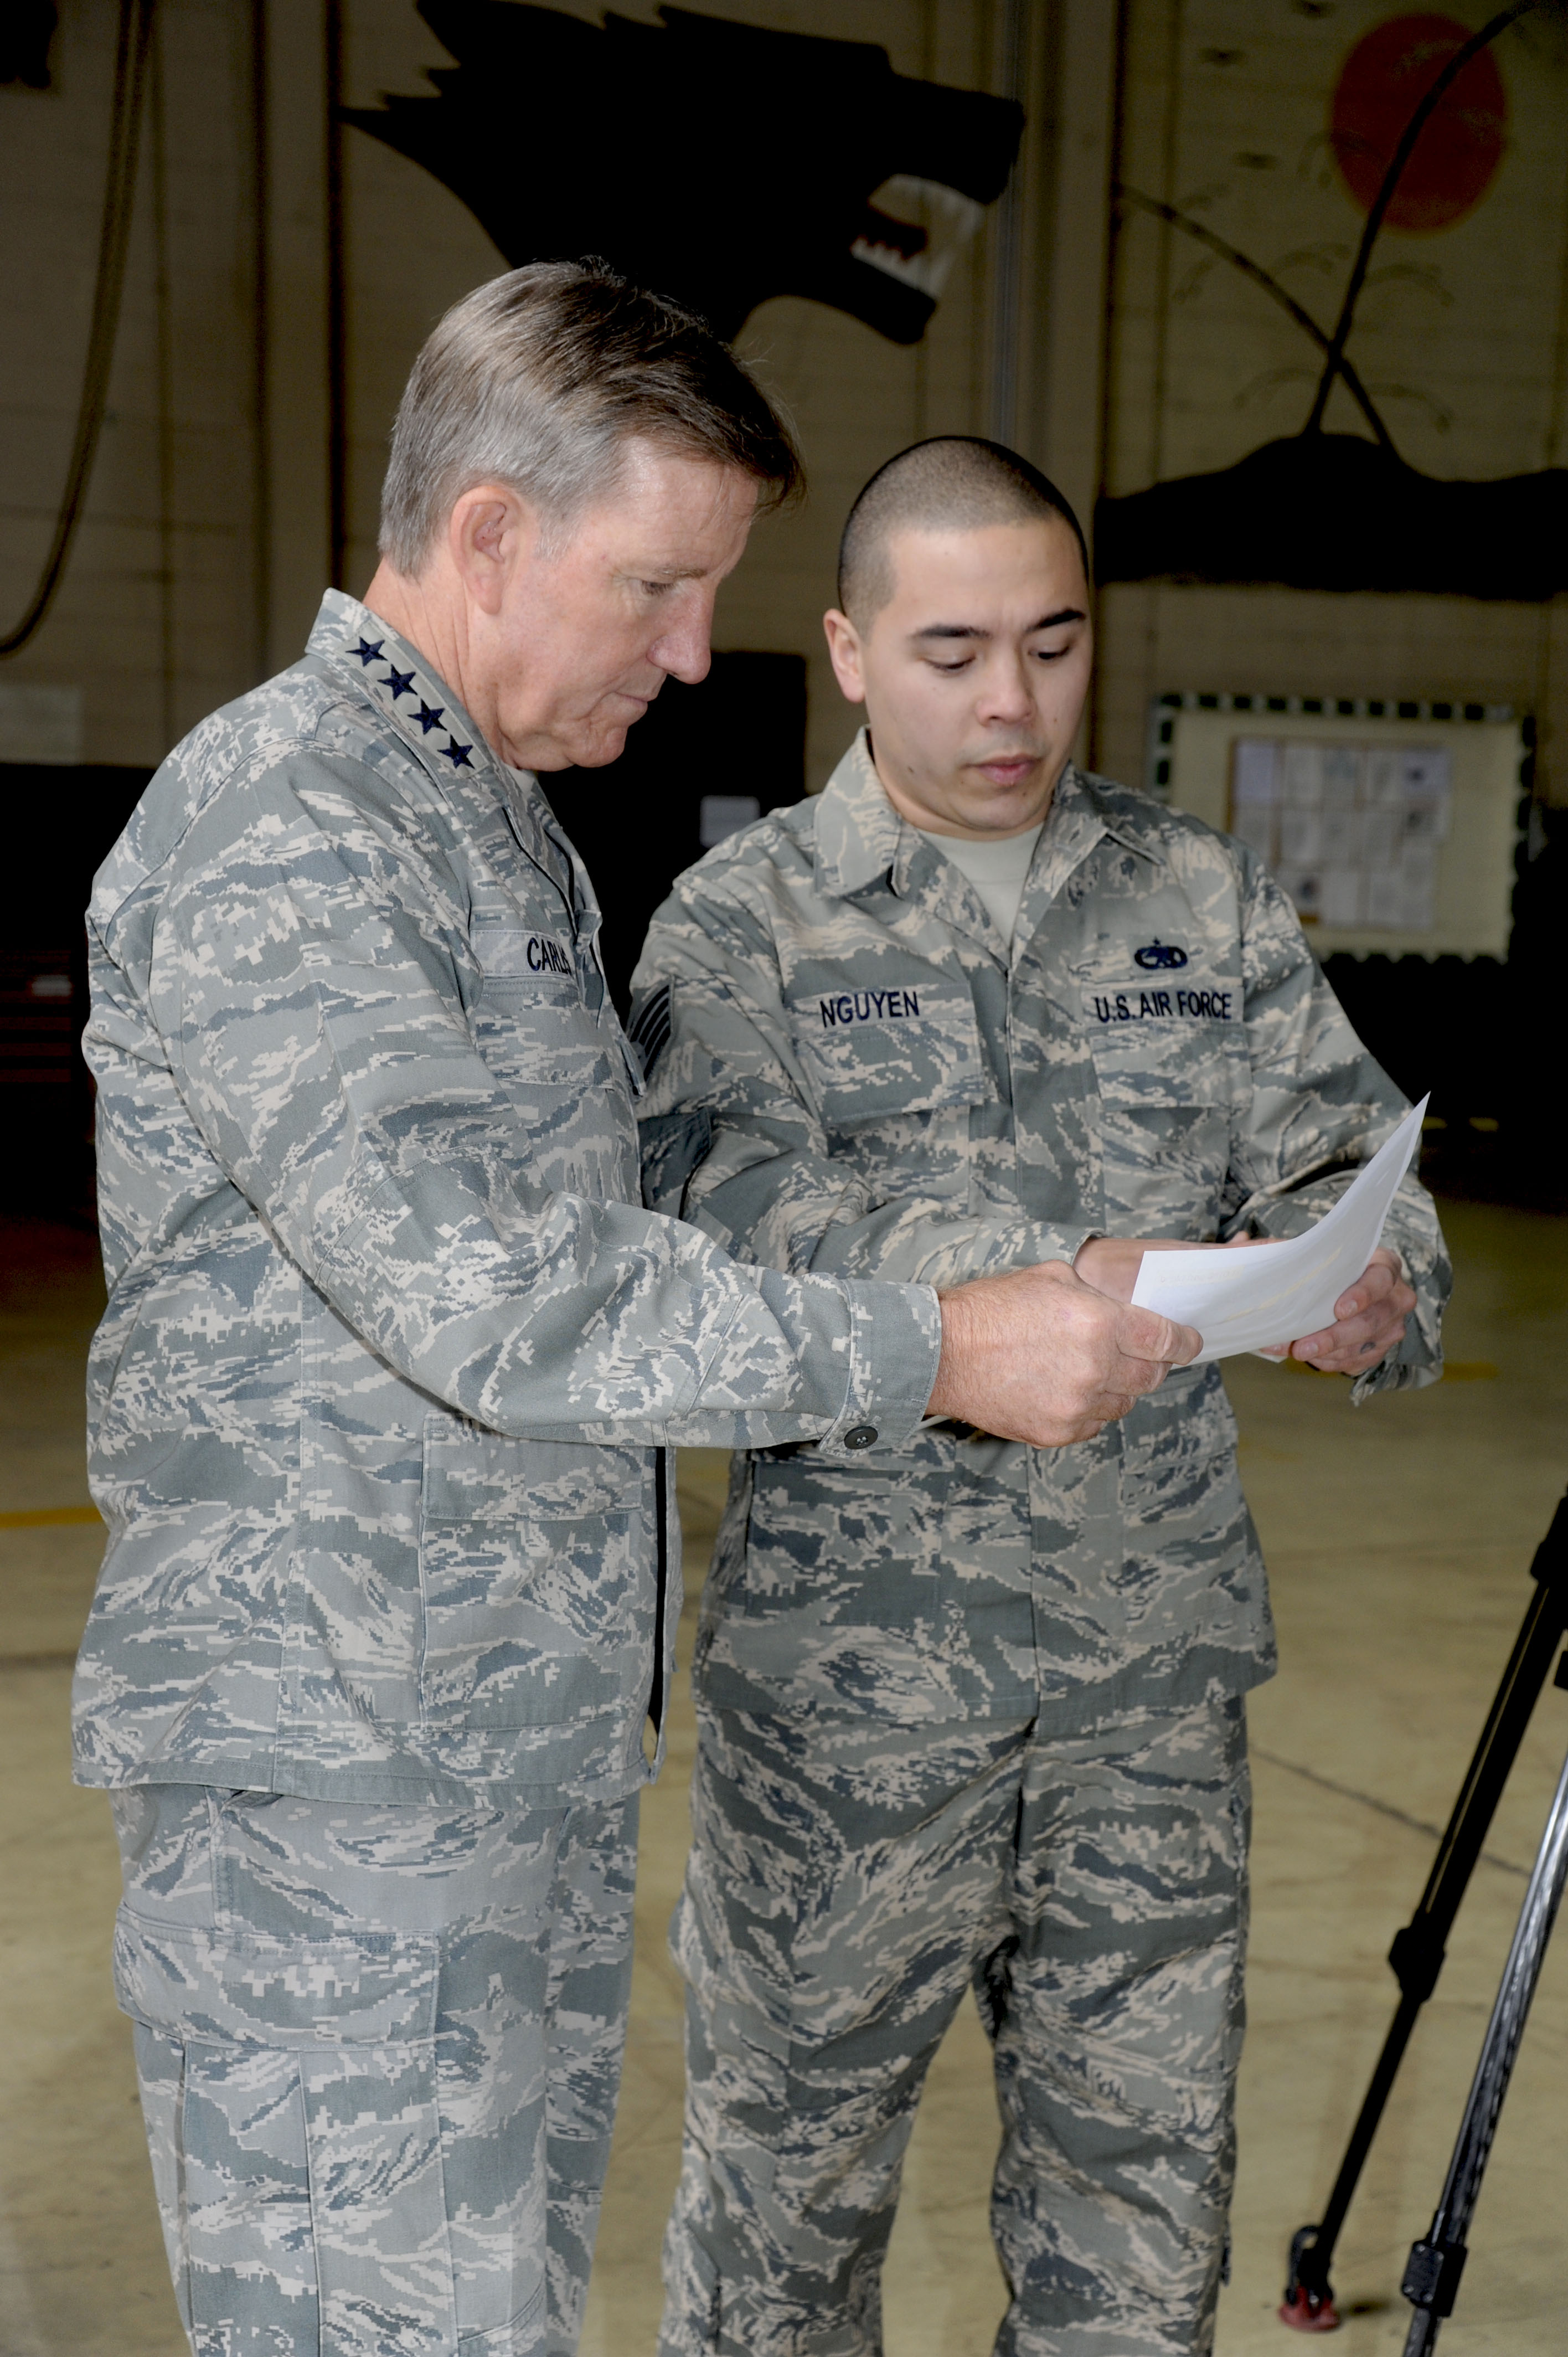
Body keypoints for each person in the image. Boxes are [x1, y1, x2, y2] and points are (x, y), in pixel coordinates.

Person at [74, 284, 1200, 2357]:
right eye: (659, 588)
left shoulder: (480, 821)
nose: (692, 654)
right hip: (347, 1803)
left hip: (490, 1765)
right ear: (491, 533)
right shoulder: (292, 821)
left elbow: (630, 1216)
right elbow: (497, 1292)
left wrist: (1015, 1257)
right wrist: (941, 1348)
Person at [630, 435, 1451, 2357]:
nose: (1013, 701)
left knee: (1139, 2266)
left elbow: (1355, 1160)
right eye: (954, 651)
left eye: (1056, 644)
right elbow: (714, 1236)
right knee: (779, 2260)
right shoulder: (741, 924)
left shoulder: (1198, 895)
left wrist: (1371, 1284)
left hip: (1147, 1712)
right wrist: (1047, 1274)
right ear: (850, 650)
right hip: (851, 1725)